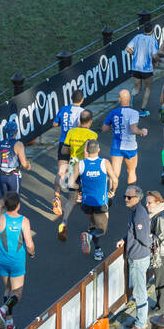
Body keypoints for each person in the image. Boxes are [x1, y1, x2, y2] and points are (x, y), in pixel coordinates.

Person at [0, 190, 35, 329]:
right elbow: (29, 244)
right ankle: (3, 310)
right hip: (17, 261)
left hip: (2, 260)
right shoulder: (24, 221)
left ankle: (9, 323)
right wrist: (32, 253)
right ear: (18, 205)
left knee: (7, 289)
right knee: (17, 293)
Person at [71, 139, 118, 260]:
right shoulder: (104, 163)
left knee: (93, 224)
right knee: (102, 229)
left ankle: (98, 251)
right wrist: (112, 191)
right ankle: (89, 236)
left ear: (86, 150)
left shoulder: (80, 164)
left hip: (86, 202)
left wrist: (80, 188)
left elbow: (71, 184)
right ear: (98, 150)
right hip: (100, 202)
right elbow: (115, 179)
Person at [56, 110, 98, 242]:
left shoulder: (71, 132)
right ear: (90, 122)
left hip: (72, 166)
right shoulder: (93, 134)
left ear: (80, 120)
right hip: (85, 167)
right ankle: (92, 225)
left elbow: (64, 150)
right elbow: (91, 152)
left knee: (71, 199)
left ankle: (64, 222)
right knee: (88, 198)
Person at [118, 184, 153, 329]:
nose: (126, 199)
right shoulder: (137, 212)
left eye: (129, 197)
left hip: (138, 258)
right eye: (125, 196)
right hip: (138, 256)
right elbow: (135, 233)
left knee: (139, 292)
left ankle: (140, 324)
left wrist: (148, 244)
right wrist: (125, 239)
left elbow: (144, 238)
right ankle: (140, 320)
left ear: (137, 198)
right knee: (139, 290)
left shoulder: (139, 214)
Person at [103, 89, 148, 189]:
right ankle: (131, 195)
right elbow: (133, 129)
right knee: (131, 171)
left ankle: (111, 193)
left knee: (114, 173)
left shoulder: (113, 112)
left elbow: (104, 128)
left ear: (119, 99)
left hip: (117, 146)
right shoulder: (134, 113)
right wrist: (142, 132)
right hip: (130, 147)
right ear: (130, 99)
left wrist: (115, 125)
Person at [52, 92, 88, 216]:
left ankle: (56, 198)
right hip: (75, 143)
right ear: (82, 100)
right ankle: (78, 194)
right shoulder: (82, 112)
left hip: (63, 143)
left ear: (71, 98)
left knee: (61, 172)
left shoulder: (63, 109)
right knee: (77, 169)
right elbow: (80, 126)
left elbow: (55, 124)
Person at [0, 121, 31, 217]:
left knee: (4, 197)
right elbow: (24, 164)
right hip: (13, 176)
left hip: (1, 175)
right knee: (15, 200)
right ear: (16, 131)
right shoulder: (18, 144)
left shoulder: (0, 143)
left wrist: (2, 166)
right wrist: (28, 166)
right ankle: (12, 220)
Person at [146, 191, 164, 312]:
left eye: (149, 203)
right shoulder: (159, 213)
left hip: (161, 253)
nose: (147, 205)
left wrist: (148, 236)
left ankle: (163, 308)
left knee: (161, 280)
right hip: (161, 251)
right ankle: (160, 304)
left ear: (157, 202)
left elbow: (159, 237)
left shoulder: (161, 216)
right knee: (159, 279)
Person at [125, 24, 160, 115]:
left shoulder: (137, 37)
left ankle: (130, 98)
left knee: (137, 88)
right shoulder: (153, 40)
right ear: (152, 31)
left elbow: (127, 49)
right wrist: (160, 60)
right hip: (147, 69)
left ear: (144, 29)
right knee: (147, 88)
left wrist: (134, 54)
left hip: (136, 67)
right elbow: (154, 56)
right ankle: (142, 110)